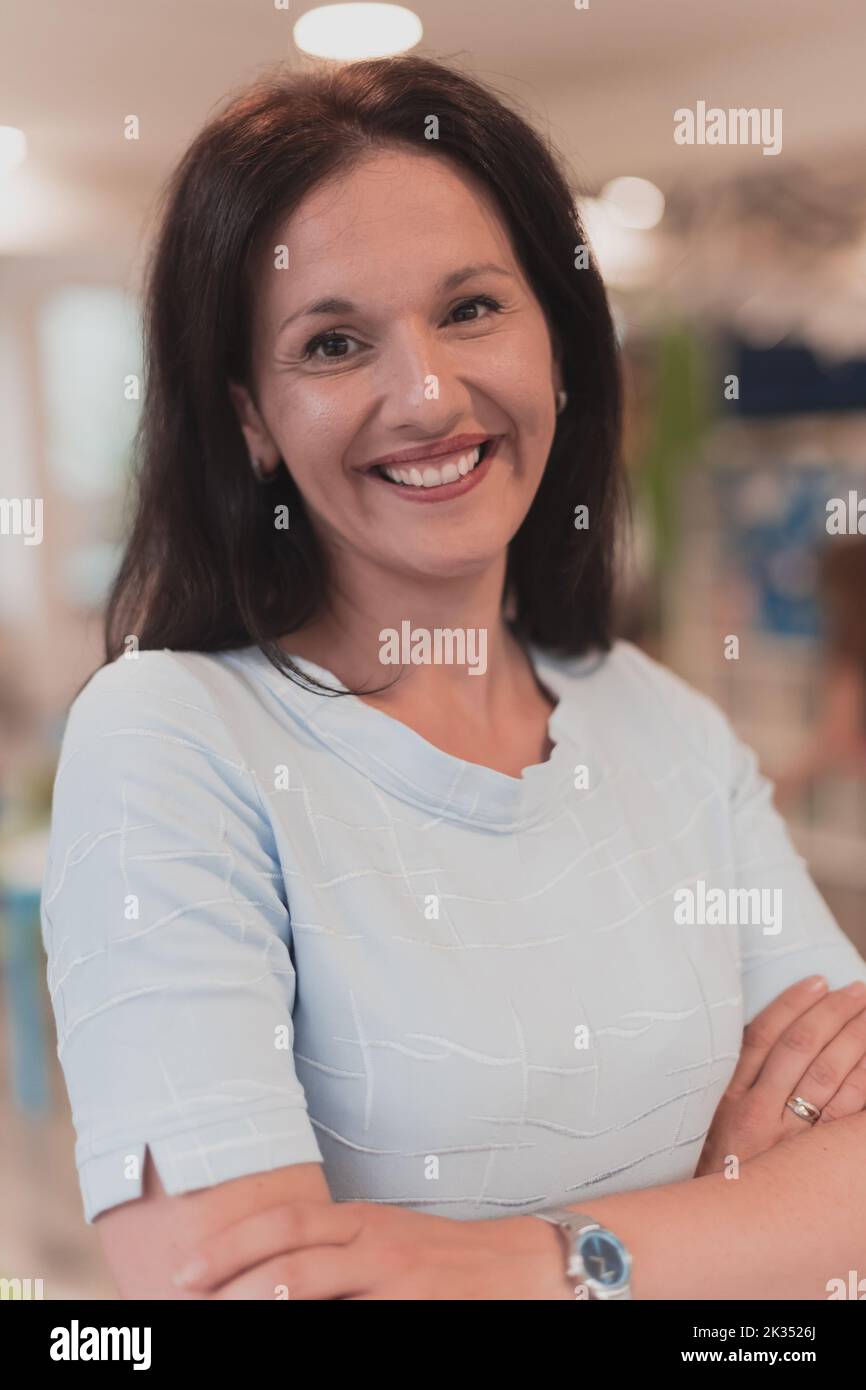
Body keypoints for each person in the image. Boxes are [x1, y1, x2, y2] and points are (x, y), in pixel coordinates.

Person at [41, 56, 866, 1301]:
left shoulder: (661, 722)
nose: (425, 393)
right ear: (252, 417)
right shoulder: (171, 738)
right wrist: (729, 1213)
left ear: (555, 338)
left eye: (471, 308)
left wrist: (536, 1260)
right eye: (331, 341)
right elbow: (251, 1294)